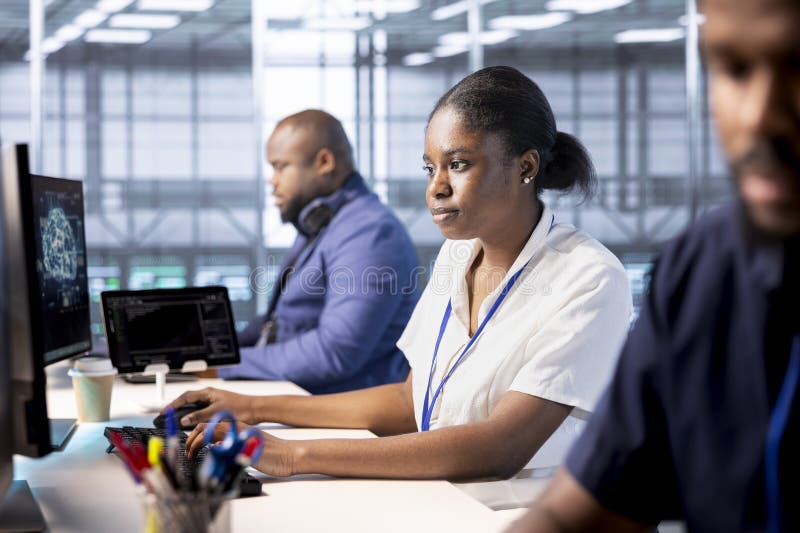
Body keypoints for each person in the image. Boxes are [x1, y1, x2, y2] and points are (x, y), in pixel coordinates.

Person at [168, 67, 632, 486]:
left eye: (459, 164)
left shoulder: (589, 278)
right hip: (433, 498)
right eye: (430, 168)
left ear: (525, 167)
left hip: (514, 515)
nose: (436, 187)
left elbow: (500, 447)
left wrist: (293, 454)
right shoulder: (457, 255)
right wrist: (252, 406)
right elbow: (410, 400)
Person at [507, 0, 800, 532]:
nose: (760, 115)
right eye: (733, 67)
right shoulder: (706, 268)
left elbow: (504, 440)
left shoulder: (591, 271)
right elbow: (590, 506)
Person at [218, 109, 420, 394]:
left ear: (324, 162)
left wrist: (226, 365)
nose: (272, 181)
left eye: (281, 166)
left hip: (342, 424)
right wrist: (209, 352)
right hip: (295, 402)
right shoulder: (323, 225)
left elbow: (335, 351)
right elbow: (276, 325)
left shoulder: (370, 233)